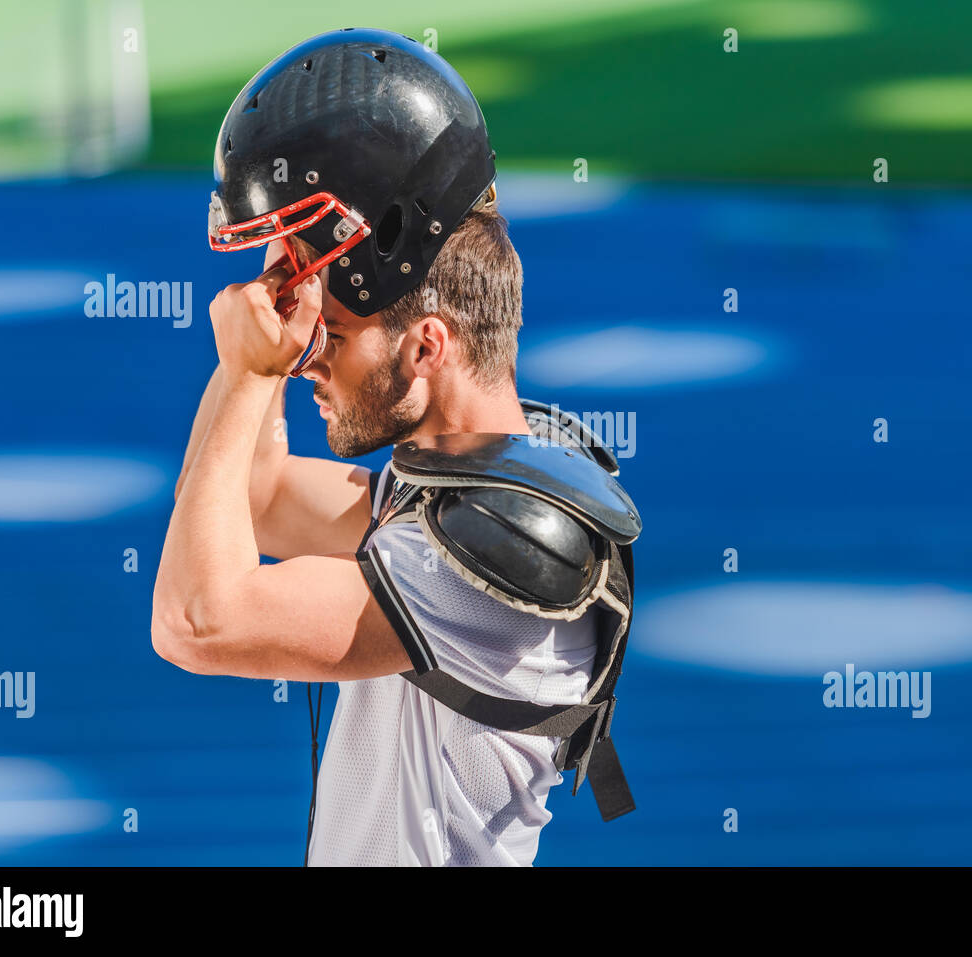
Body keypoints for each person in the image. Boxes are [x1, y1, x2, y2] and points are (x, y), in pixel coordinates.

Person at [152, 29, 638, 867]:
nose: (305, 356)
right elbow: (254, 492)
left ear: (425, 346)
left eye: (328, 332)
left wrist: (244, 369)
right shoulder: (457, 485)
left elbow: (197, 621)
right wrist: (279, 304)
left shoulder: (497, 562)